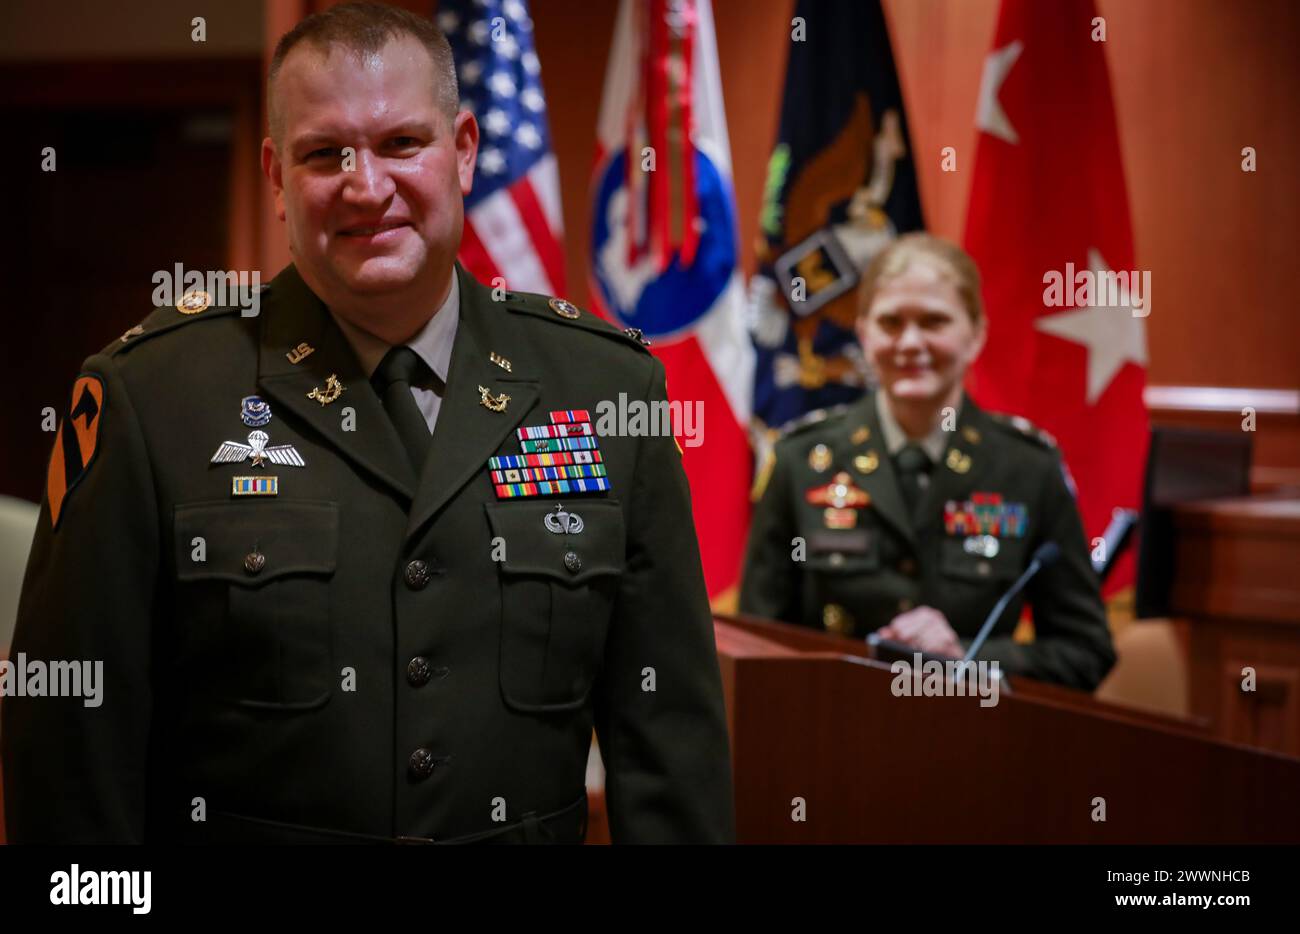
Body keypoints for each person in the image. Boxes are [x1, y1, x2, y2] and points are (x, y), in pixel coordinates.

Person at [2, 2, 734, 844]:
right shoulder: (150, 397)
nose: (366, 185)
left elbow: (670, 746)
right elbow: (70, 759)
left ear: (462, 152)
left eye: (401, 144)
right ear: (278, 178)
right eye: (325, 154)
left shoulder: (609, 390)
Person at [739, 233, 1115, 691]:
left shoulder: (1027, 468)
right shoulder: (801, 461)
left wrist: (966, 658)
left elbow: (1085, 650)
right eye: (891, 322)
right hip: (833, 732)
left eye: (934, 322)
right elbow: (757, 640)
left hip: (974, 736)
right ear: (863, 333)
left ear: (976, 335)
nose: (910, 343)